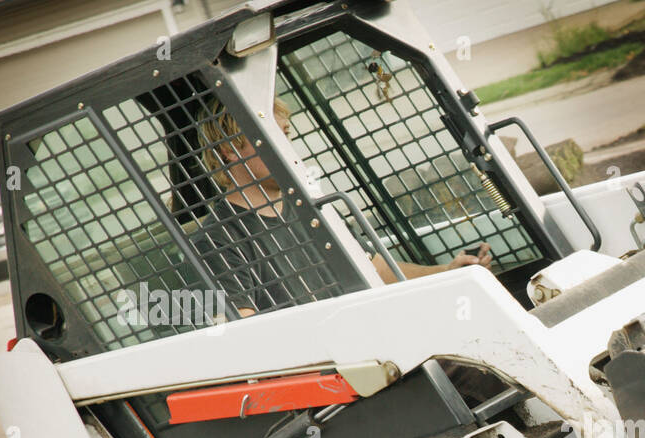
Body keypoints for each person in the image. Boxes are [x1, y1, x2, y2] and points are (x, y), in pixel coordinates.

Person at [191, 97, 492, 318]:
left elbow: (376, 269)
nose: (286, 147)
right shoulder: (218, 239)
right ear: (229, 150)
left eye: (287, 134)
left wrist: (447, 272)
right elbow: (247, 331)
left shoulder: (313, 207)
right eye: (270, 137)